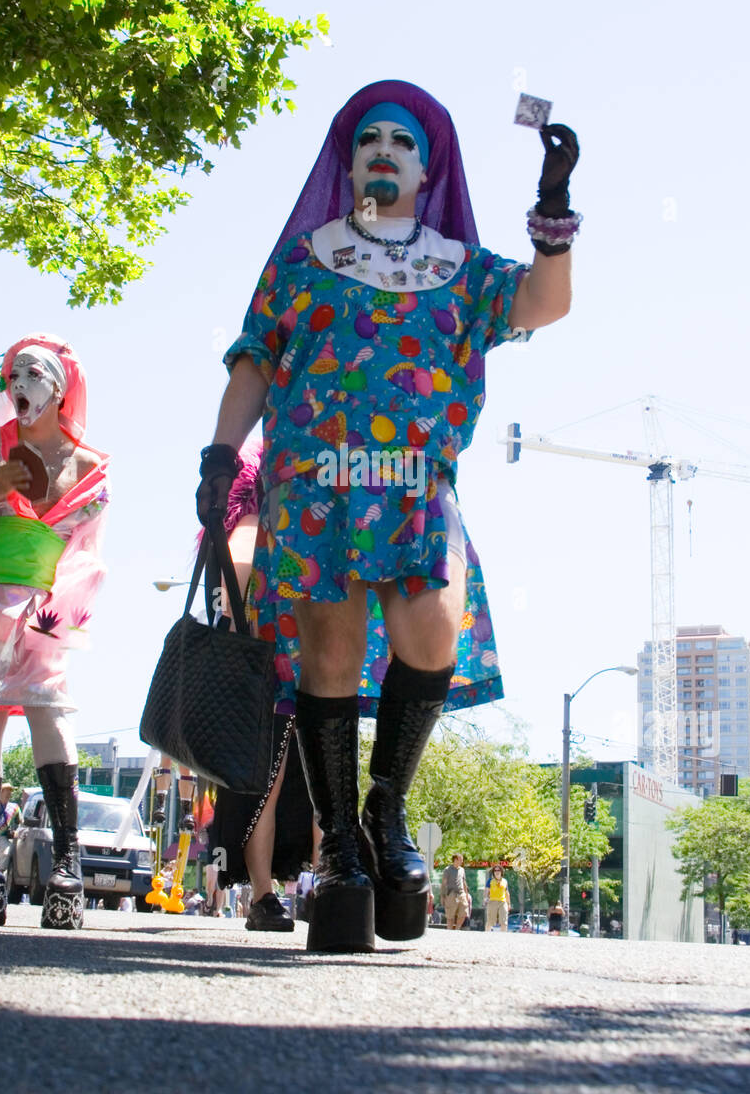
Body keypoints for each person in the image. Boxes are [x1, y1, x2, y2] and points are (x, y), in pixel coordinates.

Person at [196, 80, 579, 953]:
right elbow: (255, 364)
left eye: (403, 143)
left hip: (414, 485)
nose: (384, 151)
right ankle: (340, 856)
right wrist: (222, 457)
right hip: (317, 483)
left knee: (431, 637)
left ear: (427, 167)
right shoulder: (303, 260)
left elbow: (544, 305)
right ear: (348, 159)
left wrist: (552, 209)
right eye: (369, 138)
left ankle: (386, 808)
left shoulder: (458, 266)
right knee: (329, 657)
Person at [0, 334, 110, 930]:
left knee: (48, 708)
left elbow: (91, 552)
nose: (20, 384)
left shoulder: (90, 466)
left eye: (34, 374)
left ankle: (67, 869)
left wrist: (67, 606)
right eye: (14, 374)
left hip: (48, 605)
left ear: (60, 388)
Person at [205, 440, 315, 932]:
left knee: (301, 789)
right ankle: (268, 894)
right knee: (280, 788)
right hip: (272, 676)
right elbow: (234, 598)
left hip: (289, 671)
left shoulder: (263, 521)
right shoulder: (254, 523)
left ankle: (274, 894)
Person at [440, 852, 471, 931]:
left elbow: (464, 882)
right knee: (450, 915)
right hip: (451, 894)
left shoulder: (462, 870)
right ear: (455, 859)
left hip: (461, 894)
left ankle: (457, 929)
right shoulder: (447, 870)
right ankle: (450, 931)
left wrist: (466, 894)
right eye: (460, 860)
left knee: (464, 913)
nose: (462, 861)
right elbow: (444, 883)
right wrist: (442, 896)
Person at [0, 782, 21, 872]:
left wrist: (16, 831)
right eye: (6, 791)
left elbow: (20, 822)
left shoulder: (14, 807)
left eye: (10, 791)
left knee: (7, 851)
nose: (9, 793)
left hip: (1, 837)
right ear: (0, 792)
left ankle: (0, 872)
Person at [484, 864, 511, 931]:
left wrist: (508, 904)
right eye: (495, 870)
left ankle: (503, 937)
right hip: (492, 901)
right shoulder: (490, 881)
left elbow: (507, 893)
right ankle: (486, 935)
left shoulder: (505, 881)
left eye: (498, 870)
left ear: (501, 872)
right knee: (490, 921)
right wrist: (485, 899)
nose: (497, 872)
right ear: (493, 872)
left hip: (503, 902)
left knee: (504, 921)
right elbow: (486, 891)